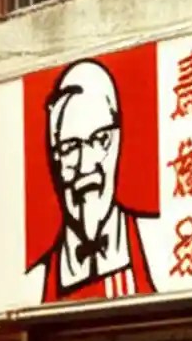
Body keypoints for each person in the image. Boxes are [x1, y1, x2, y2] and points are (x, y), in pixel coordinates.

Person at [29, 59, 156, 303]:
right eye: (70, 147)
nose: (85, 165)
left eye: (100, 139)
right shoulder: (36, 282)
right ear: (55, 158)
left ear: (118, 141)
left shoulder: (155, 245)